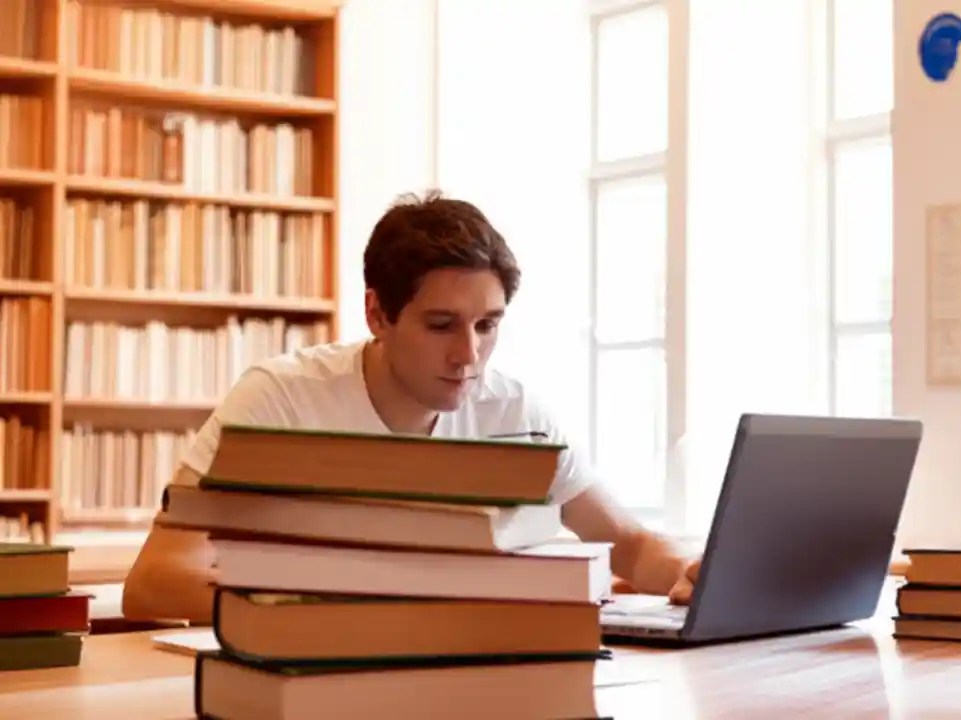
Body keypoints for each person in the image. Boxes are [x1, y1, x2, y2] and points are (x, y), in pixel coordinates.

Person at [121, 191, 702, 624]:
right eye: (442, 325)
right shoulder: (281, 398)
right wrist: (345, 606)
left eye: (488, 325)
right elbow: (155, 580)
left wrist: (689, 574)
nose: (468, 355)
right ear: (377, 314)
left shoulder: (516, 413)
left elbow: (631, 543)